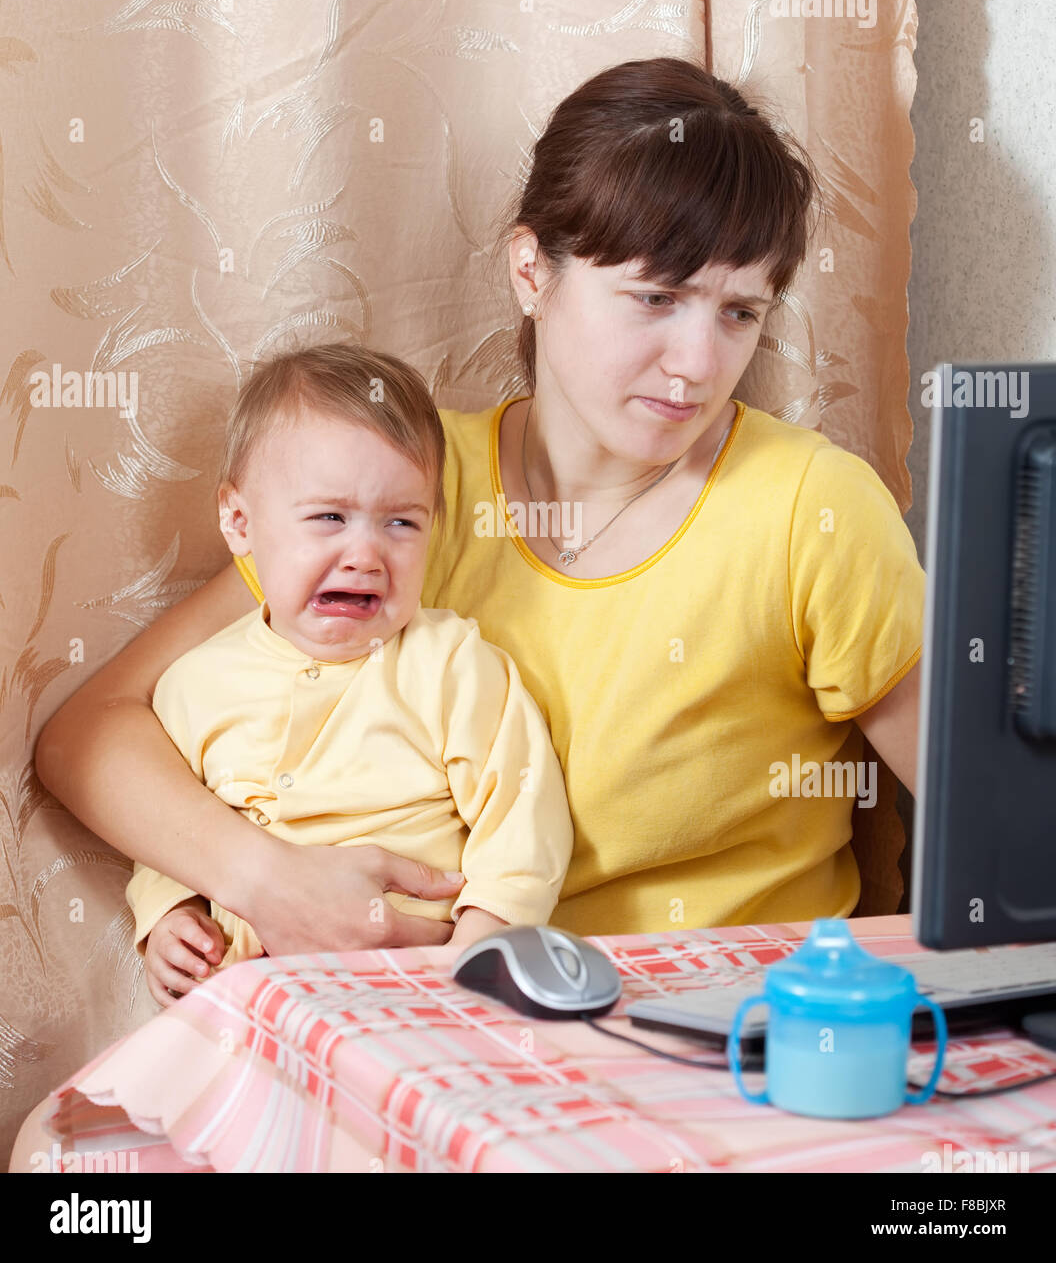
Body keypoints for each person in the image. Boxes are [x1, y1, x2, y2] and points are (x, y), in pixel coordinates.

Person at [33, 54, 923, 957]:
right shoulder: (402, 491)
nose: (698, 363)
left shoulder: (814, 508)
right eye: (656, 298)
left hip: (725, 1038)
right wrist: (261, 880)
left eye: (741, 313)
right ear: (532, 271)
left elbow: (987, 824)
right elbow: (88, 734)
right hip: (436, 1032)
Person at [131, 343, 573, 1006]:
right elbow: (167, 834)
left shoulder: (452, 664)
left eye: (401, 522)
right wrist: (169, 918)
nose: (364, 555)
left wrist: (476, 947)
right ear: (239, 521)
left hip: (417, 986)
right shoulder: (193, 685)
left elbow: (525, 816)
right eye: (329, 518)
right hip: (249, 999)